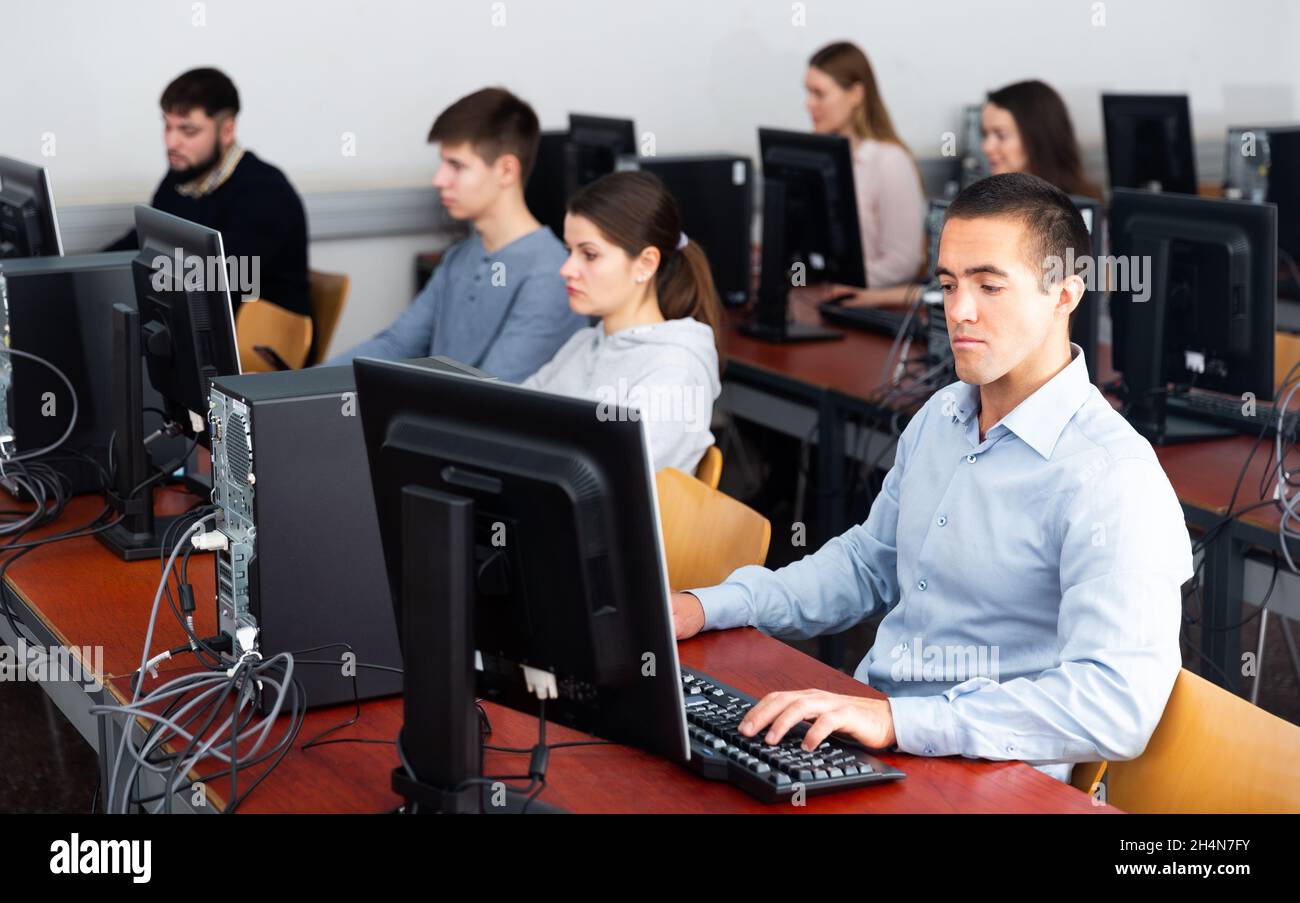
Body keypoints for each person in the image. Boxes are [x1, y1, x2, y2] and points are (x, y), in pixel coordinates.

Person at [671, 173, 1193, 785]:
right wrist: (710, 605)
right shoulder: (944, 414)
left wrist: (901, 722)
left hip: (983, 777)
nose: (959, 311)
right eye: (948, 284)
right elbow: (869, 563)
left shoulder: (1113, 479)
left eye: (989, 285)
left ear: (1064, 295)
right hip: (880, 738)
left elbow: (1115, 704)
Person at [327, 88, 584, 380]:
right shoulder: (461, 257)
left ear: (506, 171)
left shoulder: (550, 275)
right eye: (443, 162)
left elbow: (491, 395)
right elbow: (396, 345)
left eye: (457, 165)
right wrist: (294, 386)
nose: (439, 180)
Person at [833, 79, 1101, 308]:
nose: (987, 146)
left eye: (1000, 135)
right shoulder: (995, 204)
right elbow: (950, 289)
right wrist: (874, 297)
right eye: (985, 134)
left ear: (1036, 138)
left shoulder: (1075, 216)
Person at [522, 171, 721, 474]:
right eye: (569, 251)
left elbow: (607, 479)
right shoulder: (585, 343)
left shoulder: (675, 371)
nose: (566, 269)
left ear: (645, 263)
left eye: (589, 255)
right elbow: (517, 415)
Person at [107, 68, 311, 326]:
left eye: (188, 131)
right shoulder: (181, 178)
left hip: (259, 345)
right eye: (167, 126)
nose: (171, 142)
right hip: (197, 328)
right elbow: (142, 242)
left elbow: (223, 278)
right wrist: (74, 271)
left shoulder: (266, 191)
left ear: (226, 131)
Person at [804, 41, 925, 289]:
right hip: (826, 300)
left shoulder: (890, 162)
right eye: (808, 93)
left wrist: (839, 284)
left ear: (856, 94)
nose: (809, 103)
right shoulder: (817, 160)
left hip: (867, 307)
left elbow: (903, 262)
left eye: (819, 93)